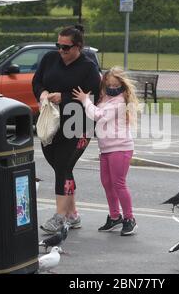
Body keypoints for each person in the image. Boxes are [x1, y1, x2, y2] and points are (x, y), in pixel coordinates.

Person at [32, 24, 101, 234]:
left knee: (63, 165)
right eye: (58, 46)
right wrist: (42, 94)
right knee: (62, 167)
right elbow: (37, 82)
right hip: (52, 123)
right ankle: (73, 215)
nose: (60, 51)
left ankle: (60, 217)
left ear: (78, 47)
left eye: (66, 47)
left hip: (79, 125)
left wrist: (64, 97)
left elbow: (94, 96)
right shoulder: (50, 59)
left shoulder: (88, 68)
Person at [72, 67, 139, 236]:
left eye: (116, 85)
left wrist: (85, 100)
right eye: (109, 84)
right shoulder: (105, 97)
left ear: (122, 85)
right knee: (107, 183)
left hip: (121, 147)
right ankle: (115, 217)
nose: (112, 87)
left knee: (119, 184)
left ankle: (129, 218)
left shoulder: (120, 102)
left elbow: (98, 115)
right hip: (106, 148)